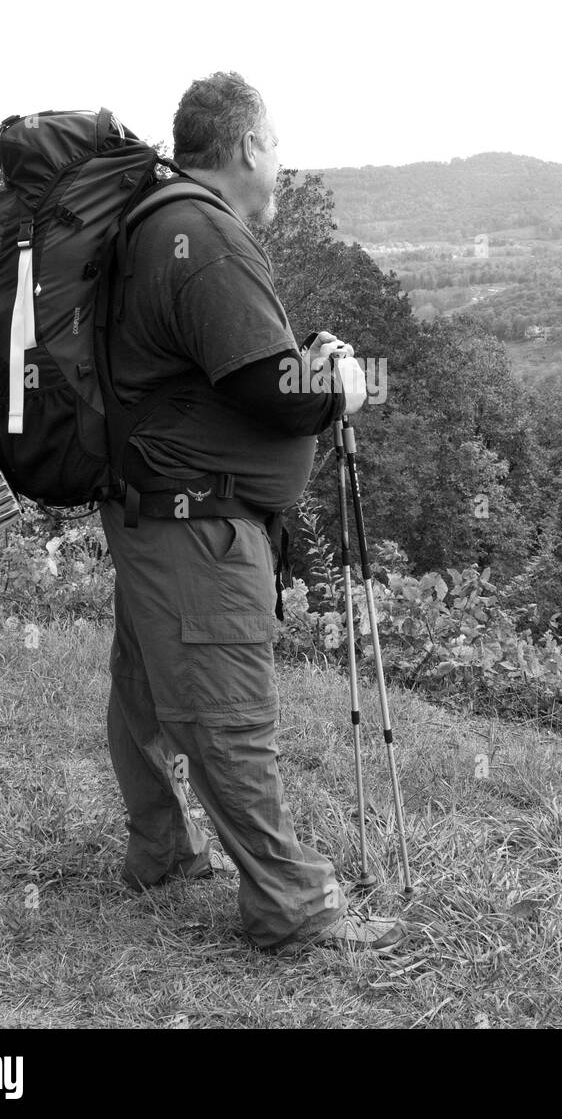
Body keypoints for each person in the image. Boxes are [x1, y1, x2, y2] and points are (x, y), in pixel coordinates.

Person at [98, 71, 404, 954]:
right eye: (276, 146)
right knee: (227, 712)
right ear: (248, 148)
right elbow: (270, 391)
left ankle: (160, 847)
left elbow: (224, 368)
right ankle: (292, 909)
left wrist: (296, 357)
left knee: (150, 688)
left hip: (157, 508)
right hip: (196, 522)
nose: (280, 163)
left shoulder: (160, 221)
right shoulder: (204, 234)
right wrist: (336, 382)